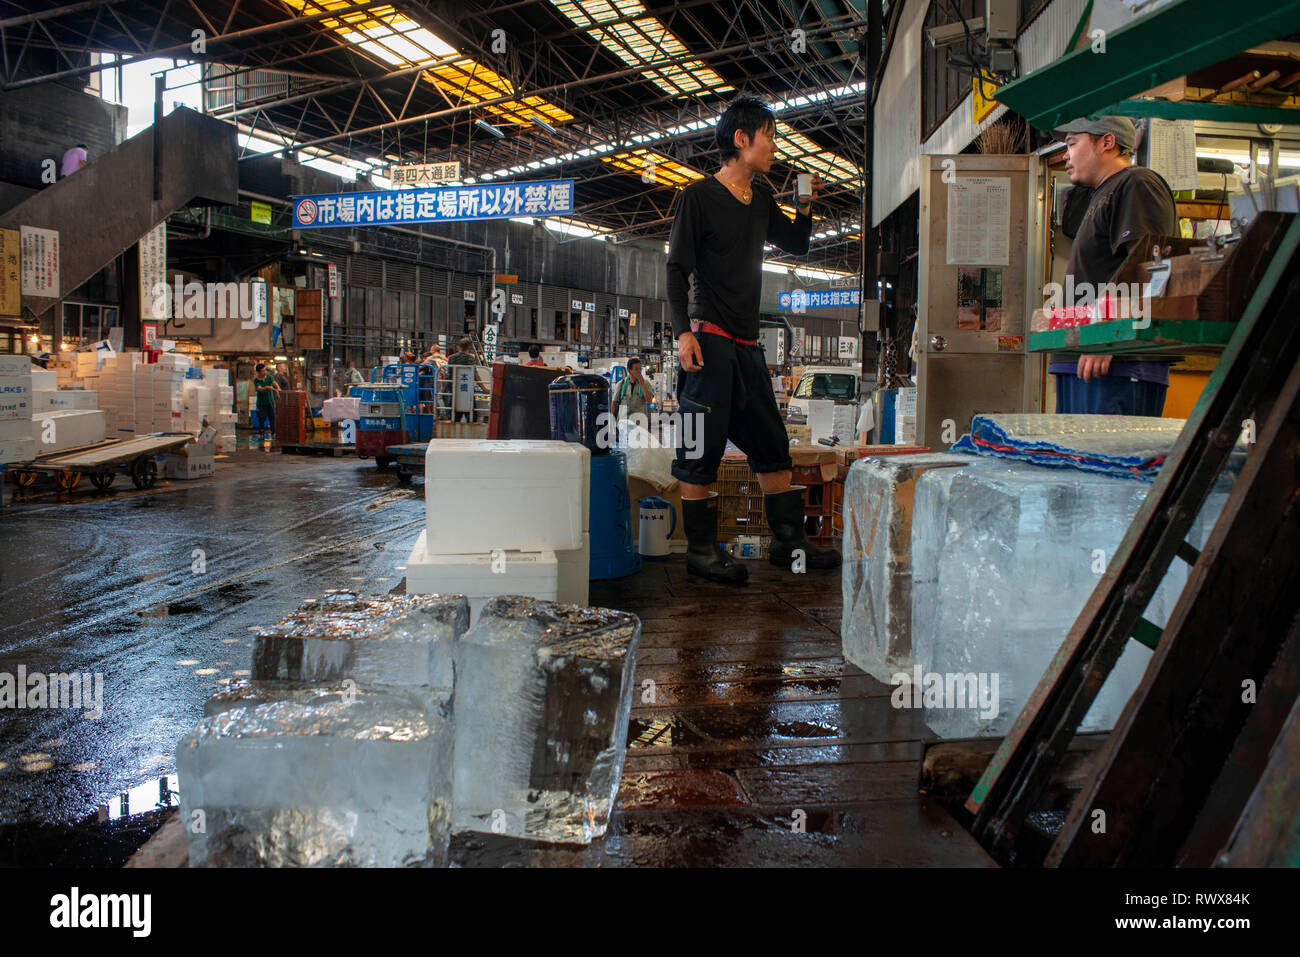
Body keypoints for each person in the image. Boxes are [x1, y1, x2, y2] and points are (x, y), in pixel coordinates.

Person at [666, 94, 839, 585]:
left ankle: (788, 542)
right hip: (709, 339)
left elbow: (798, 243)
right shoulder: (697, 197)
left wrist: (805, 207)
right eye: (769, 137)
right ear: (742, 140)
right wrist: (683, 333)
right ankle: (700, 550)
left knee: (770, 440)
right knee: (701, 446)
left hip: (746, 345)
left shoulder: (761, 198)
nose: (775, 148)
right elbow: (676, 270)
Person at [1051, 116, 1177, 415]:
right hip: (1084, 357)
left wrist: (1108, 340)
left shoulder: (1137, 183)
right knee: (1075, 459)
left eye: (1072, 143)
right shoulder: (1102, 194)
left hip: (1115, 363)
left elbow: (1151, 266)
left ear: (1106, 142)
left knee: (1105, 458)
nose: (1065, 154)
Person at [253, 362, 279, 440]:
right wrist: (267, 387)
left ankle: (273, 432)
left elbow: (275, 383)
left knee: (272, 417)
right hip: (261, 403)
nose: (265, 372)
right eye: (263, 371)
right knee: (262, 417)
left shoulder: (269, 377)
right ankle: (261, 432)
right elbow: (259, 389)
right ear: (258, 372)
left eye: (265, 370)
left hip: (270, 402)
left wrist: (278, 389)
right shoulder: (256, 380)